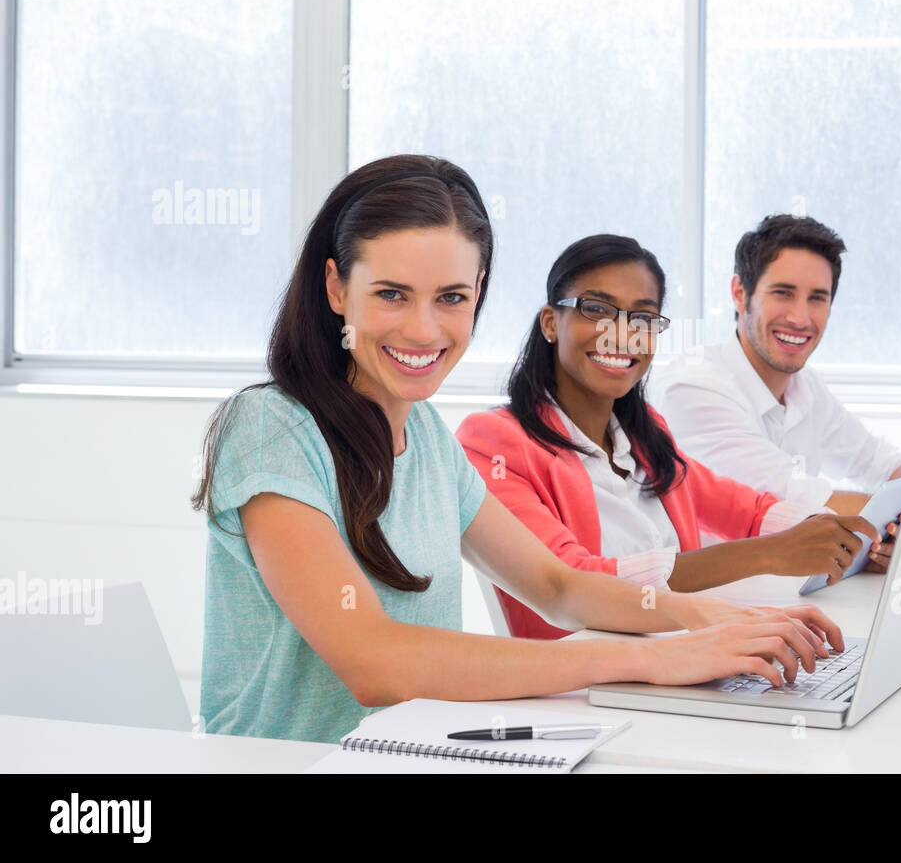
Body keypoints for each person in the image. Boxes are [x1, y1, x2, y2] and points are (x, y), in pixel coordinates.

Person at [191, 155, 843, 745]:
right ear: (337, 289)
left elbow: (556, 585)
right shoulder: (270, 429)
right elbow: (375, 662)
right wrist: (650, 657)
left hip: (406, 758)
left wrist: (711, 619)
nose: (424, 328)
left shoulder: (425, 437)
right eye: (391, 294)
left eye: (452, 298)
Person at [456, 234, 889, 640]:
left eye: (642, 317)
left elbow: (747, 510)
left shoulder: (644, 436)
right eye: (598, 310)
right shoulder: (492, 442)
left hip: (686, 656)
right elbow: (571, 578)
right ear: (551, 323)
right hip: (584, 682)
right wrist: (769, 553)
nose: (622, 333)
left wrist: (841, 538)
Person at [652, 214, 901, 535]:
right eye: (783, 293)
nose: (800, 318)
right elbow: (794, 504)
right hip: (707, 608)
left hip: (782, 597)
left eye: (818, 298)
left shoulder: (802, 385)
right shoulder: (696, 386)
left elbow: (878, 462)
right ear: (739, 293)